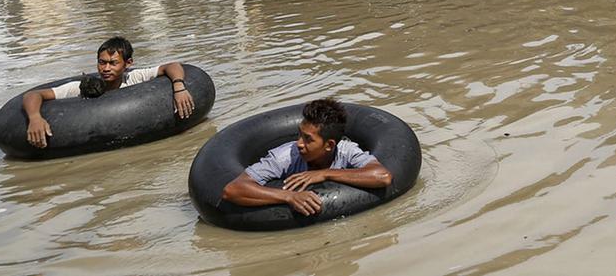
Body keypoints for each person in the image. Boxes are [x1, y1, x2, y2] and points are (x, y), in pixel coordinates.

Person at [220, 99, 393, 216]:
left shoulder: (346, 151)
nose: (299, 143)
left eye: (308, 139)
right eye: (300, 134)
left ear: (329, 145)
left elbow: (383, 177)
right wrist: (289, 196)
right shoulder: (285, 156)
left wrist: (325, 174)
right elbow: (232, 190)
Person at [21, 36, 195, 148]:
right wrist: (35, 117)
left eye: (113, 63)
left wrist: (179, 86)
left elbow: (172, 66)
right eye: (102, 62)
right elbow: (33, 95)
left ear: (128, 63)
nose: (105, 68)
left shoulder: (133, 78)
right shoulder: (83, 87)